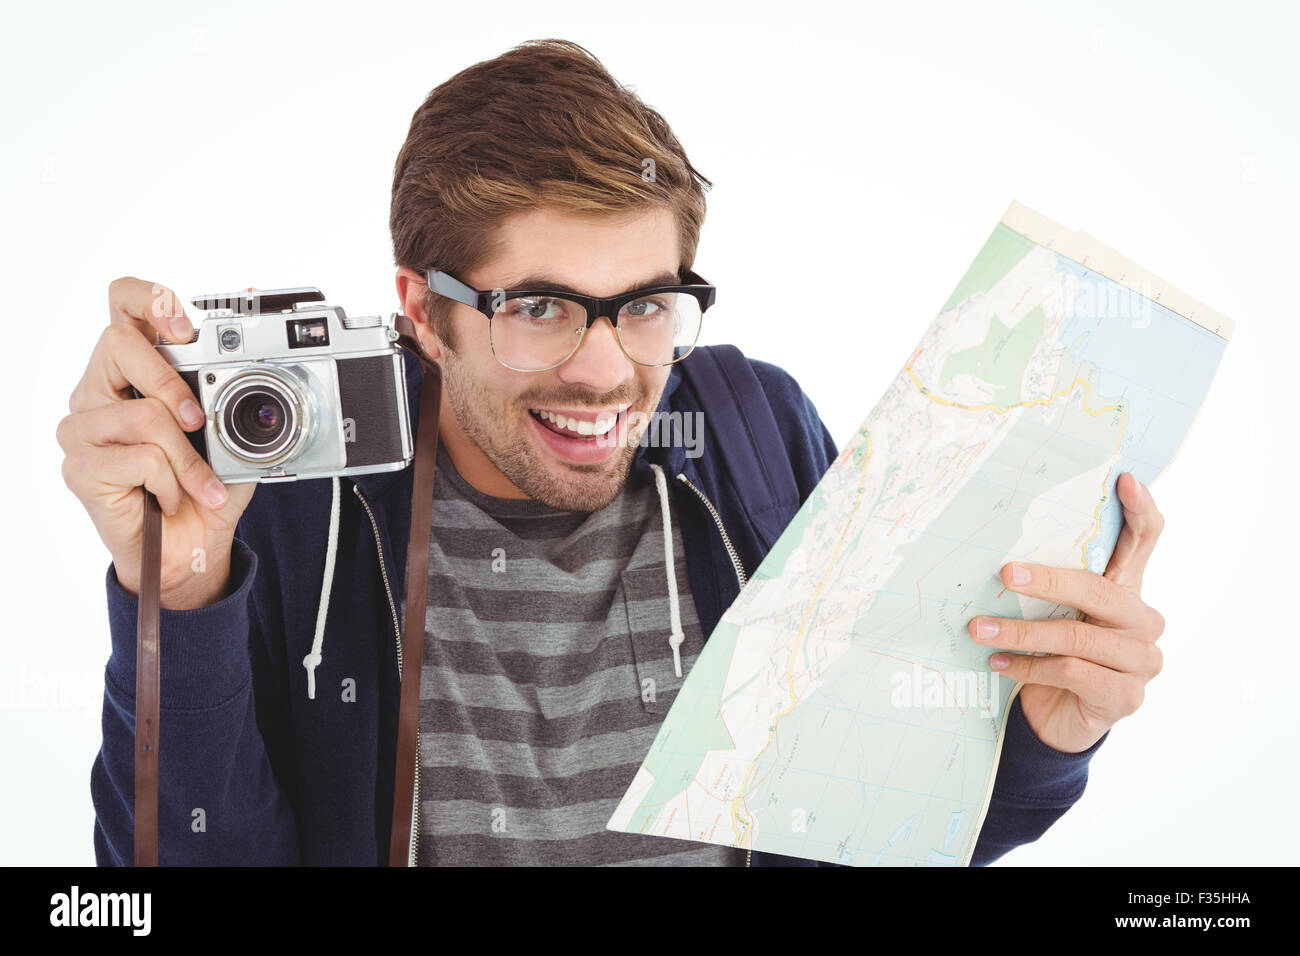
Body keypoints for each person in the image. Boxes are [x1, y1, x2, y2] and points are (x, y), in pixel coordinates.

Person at [60, 38, 1167, 866]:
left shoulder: (753, 433)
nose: (605, 370)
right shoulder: (299, 504)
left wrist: (1039, 737)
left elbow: (878, 823)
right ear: (419, 307)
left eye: (644, 303)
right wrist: (180, 590)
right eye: (538, 306)